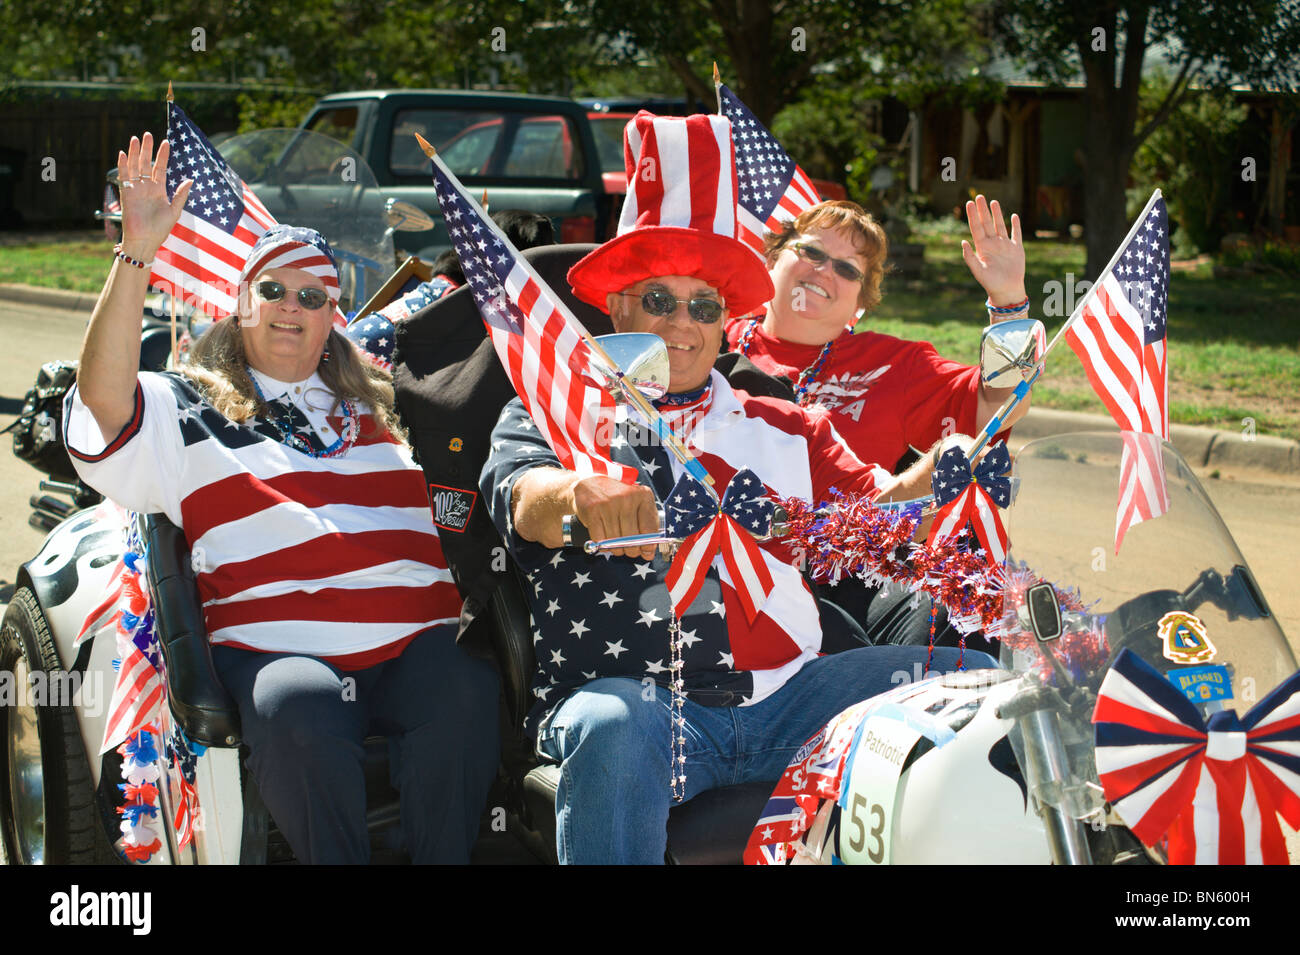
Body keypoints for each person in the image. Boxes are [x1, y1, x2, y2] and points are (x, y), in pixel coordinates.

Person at [480, 111, 995, 864]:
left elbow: (884, 517)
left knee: (977, 686)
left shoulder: (788, 423)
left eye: (704, 305)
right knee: (614, 724)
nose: (682, 323)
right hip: (641, 701)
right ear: (616, 305)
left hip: (793, 696)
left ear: (728, 322)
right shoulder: (552, 409)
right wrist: (584, 494)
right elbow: (528, 502)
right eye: (658, 300)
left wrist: (949, 472)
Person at [65, 132, 499, 864]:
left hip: (414, 644)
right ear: (239, 304)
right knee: (299, 706)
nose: (291, 308)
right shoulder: (184, 406)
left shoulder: (387, 407)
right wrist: (135, 254)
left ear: (335, 314)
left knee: (467, 686)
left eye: (313, 295)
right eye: (272, 290)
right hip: (283, 649)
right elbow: (104, 406)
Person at [725, 199, 1027, 647]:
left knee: (957, 603)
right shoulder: (708, 336)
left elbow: (1000, 401)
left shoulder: (893, 365)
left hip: (844, 579)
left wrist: (1007, 302)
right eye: (812, 252)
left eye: (848, 271)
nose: (826, 272)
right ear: (773, 257)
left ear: (859, 305)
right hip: (716, 560)